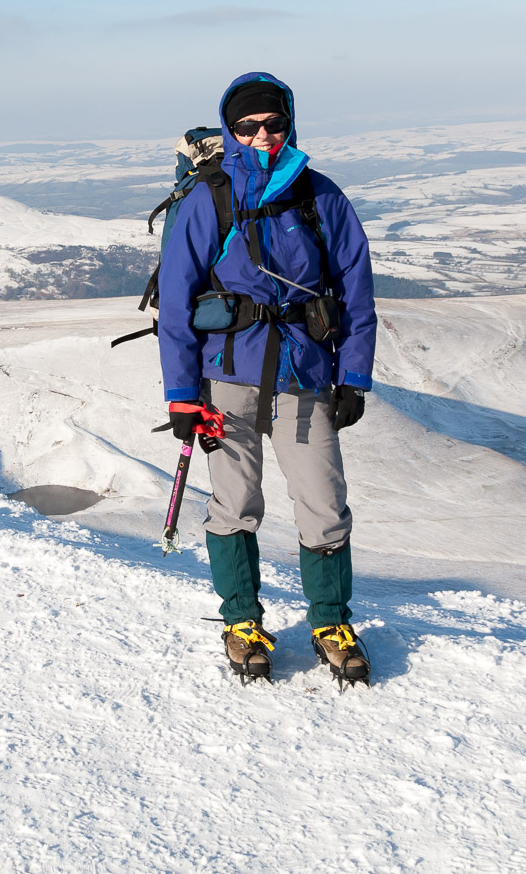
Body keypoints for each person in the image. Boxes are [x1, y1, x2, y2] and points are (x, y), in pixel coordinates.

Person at [155, 72, 376, 685]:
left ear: (290, 123)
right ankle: (242, 622)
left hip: (305, 374)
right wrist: (181, 396)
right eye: (248, 125)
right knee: (234, 502)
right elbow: (176, 305)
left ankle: (331, 623)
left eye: (274, 123)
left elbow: (356, 291)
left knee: (324, 503)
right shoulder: (210, 198)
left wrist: (354, 375)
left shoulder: (320, 195)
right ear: (231, 130)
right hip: (225, 378)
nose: (263, 134)